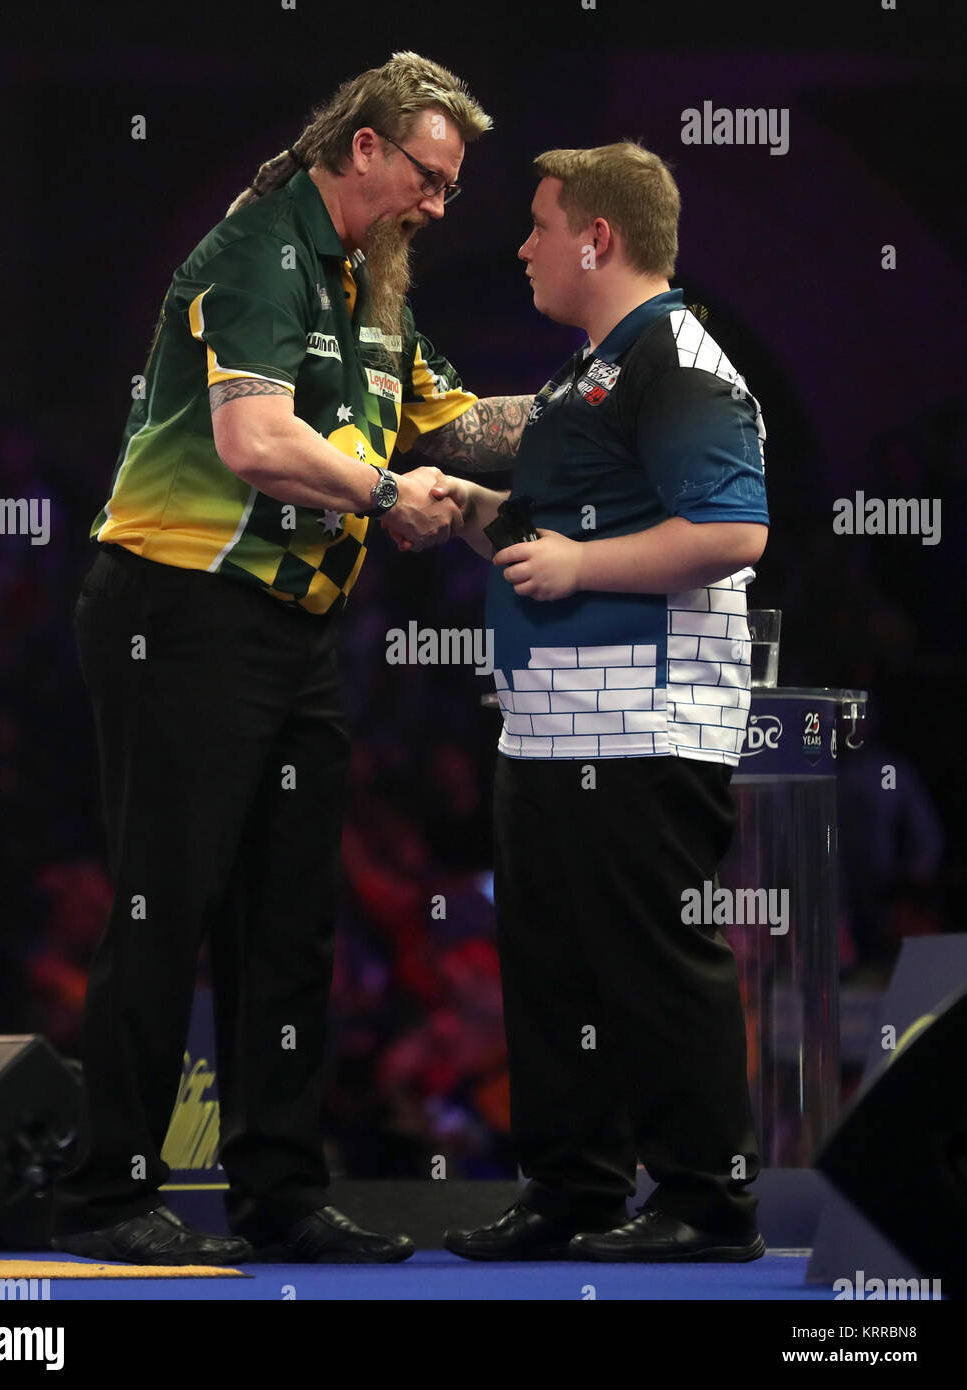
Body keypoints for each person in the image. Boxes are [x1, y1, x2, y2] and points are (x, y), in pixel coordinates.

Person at [51, 52, 534, 1266]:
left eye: (452, 190)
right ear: (364, 147)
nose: (437, 204)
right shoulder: (258, 251)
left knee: (289, 921)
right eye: (430, 177)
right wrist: (386, 490)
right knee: (166, 903)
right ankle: (108, 1195)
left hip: (296, 626)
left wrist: (616, 381)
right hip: (183, 606)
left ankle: (277, 1192)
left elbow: (464, 427)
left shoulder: (375, 293)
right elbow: (257, 440)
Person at [441, 142, 771, 1261]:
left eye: (540, 225)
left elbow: (731, 531)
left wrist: (580, 571)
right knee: (550, 968)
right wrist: (472, 507)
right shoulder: (588, 374)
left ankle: (704, 1203)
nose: (523, 245)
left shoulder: (676, 360)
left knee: (651, 964)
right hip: (547, 725)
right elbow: (556, 532)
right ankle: (571, 1188)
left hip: (646, 722)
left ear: (599, 239)